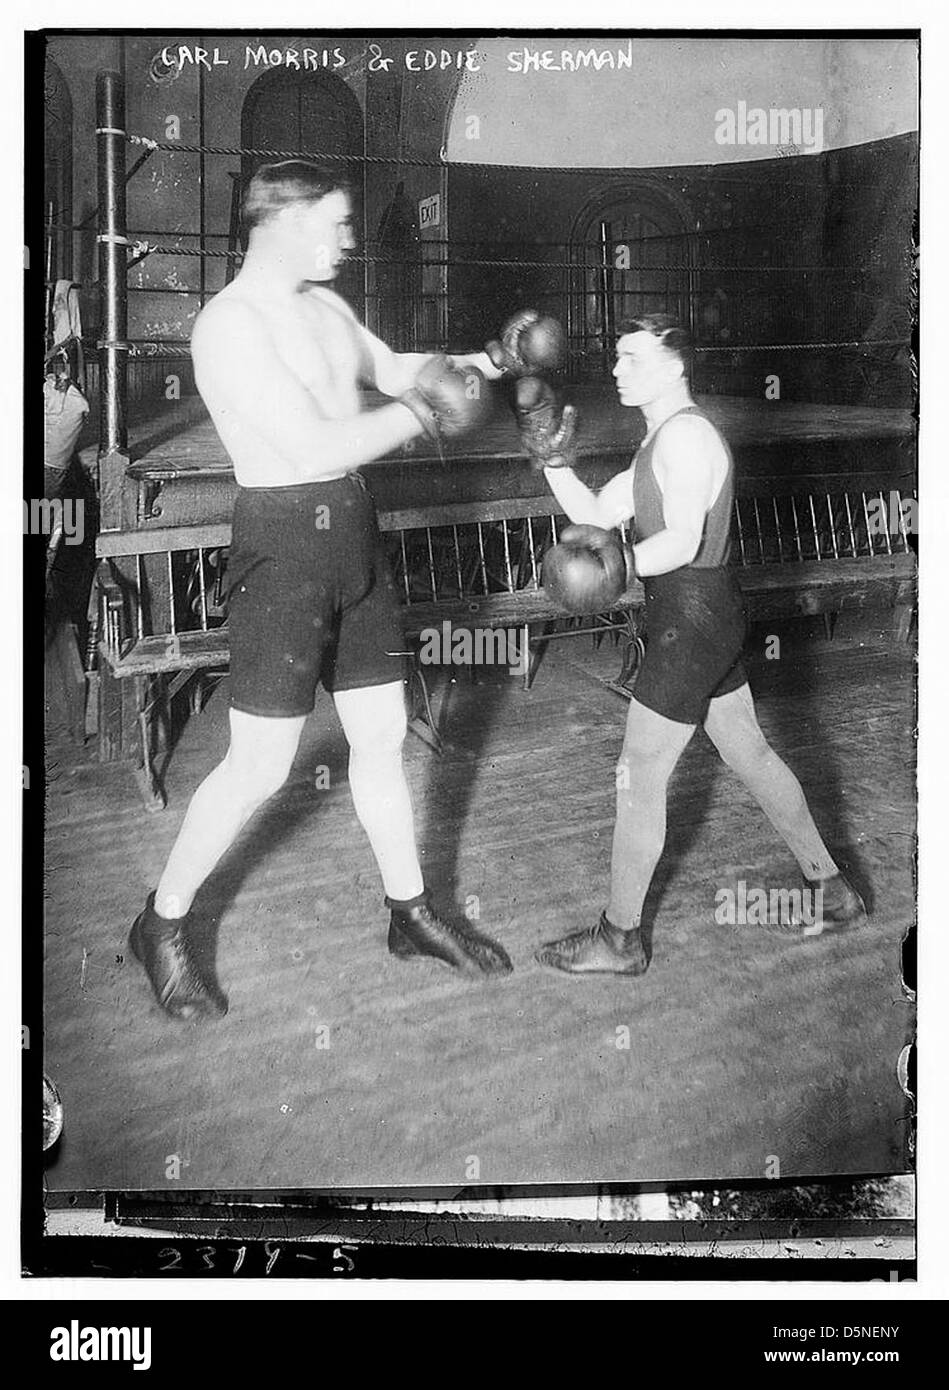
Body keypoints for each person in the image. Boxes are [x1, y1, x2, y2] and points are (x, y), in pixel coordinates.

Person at [130, 161, 560, 1020]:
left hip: (355, 532)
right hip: (284, 546)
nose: (350, 237)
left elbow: (397, 367)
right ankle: (162, 920)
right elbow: (309, 445)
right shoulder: (227, 326)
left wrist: (490, 358)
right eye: (334, 222)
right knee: (259, 764)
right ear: (281, 222)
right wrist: (428, 413)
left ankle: (409, 912)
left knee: (381, 732)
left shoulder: (325, 306)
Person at [517, 313, 867, 976]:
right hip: (701, 612)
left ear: (675, 363)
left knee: (638, 772)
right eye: (616, 357)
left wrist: (615, 563)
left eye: (632, 357)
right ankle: (830, 888)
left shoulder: (687, 439)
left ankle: (619, 937)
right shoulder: (661, 439)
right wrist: (551, 461)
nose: (617, 370)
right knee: (750, 752)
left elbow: (678, 541)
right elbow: (594, 515)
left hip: (694, 617)